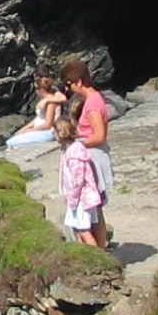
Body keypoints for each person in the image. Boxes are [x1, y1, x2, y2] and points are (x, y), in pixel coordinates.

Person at [58, 57, 111, 245]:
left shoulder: (93, 104)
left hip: (93, 158)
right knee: (96, 210)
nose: (69, 89)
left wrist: (76, 144)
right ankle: (100, 249)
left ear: (79, 82)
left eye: (69, 84)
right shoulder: (94, 99)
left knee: (94, 210)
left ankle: (98, 251)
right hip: (93, 156)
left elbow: (99, 135)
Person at [57, 98, 107, 249]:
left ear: (61, 133)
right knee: (78, 230)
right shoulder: (74, 149)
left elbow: (78, 179)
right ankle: (83, 255)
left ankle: (97, 257)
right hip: (81, 198)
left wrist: (72, 199)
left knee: (84, 230)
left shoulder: (74, 153)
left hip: (81, 199)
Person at [6, 74, 68, 148]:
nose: (35, 91)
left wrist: (30, 130)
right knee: (13, 138)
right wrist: (24, 129)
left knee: (11, 142)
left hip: (47, 132)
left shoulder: (51, 103)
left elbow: (48, 124)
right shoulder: (47, 100)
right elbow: (39, 118)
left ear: (41, 89)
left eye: (36, 88)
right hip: (40, 130)